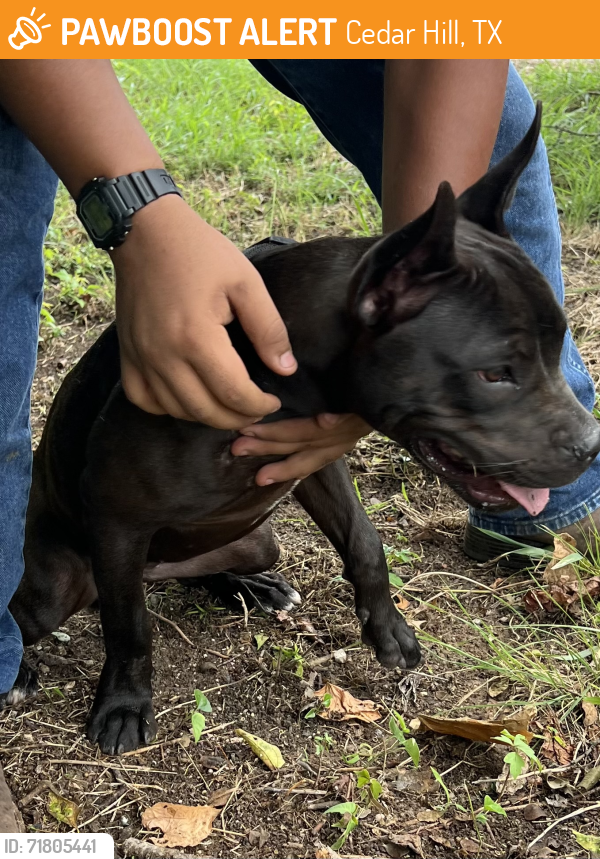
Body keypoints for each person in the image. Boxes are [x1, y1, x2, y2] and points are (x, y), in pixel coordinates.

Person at [0, 60, 597, 818]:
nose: (583, 434)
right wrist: (137, 210)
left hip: (216, 521)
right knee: (47, 591)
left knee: (497, 116)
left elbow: (455, 40)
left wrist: (372, 587)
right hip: (97, 536)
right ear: (383, 302)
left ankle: (529, 515)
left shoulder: (351, 339)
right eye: (502, 375)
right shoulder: (176, 434)